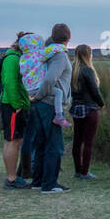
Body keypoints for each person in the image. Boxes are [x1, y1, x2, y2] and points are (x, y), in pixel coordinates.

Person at [26, 23, 72, 193]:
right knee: (55, 145)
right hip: (50, 104)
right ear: (68, 37)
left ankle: (38, 181)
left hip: (40, 104)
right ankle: (49, 184)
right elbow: (50, 79)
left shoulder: (47, 52)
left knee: (41, 143)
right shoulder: (60, 55)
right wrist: (38, 95)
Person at [0, 32, 34, 189]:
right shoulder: (12, 58)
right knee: (12, 141)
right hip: (12, 106)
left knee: (14, 140)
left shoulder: (17, 57)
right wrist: (17, 104)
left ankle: (13, 176)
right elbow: (10, 83)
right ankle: (12, 178)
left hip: (15, 104)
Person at [71, 44, 106, 180]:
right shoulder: (88, 70)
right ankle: (85, 172)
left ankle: (78, 171)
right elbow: (94, 91)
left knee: (77, 141)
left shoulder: (73, 70)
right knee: (88, 142)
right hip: (89, 108)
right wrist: (101, 104)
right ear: (88, 55)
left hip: (76, 108)